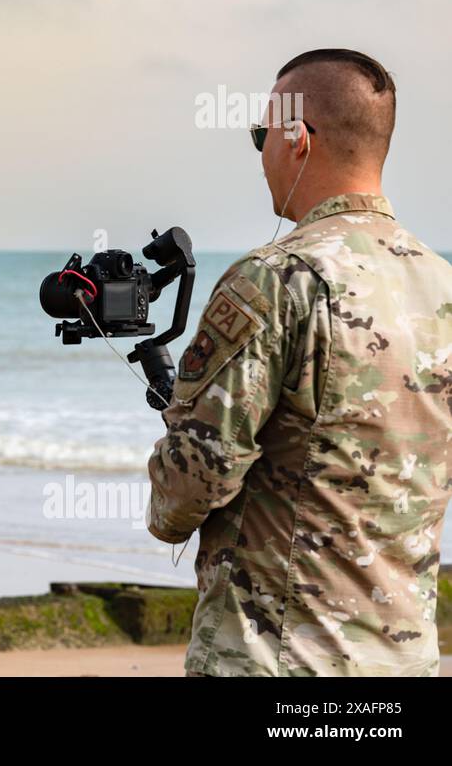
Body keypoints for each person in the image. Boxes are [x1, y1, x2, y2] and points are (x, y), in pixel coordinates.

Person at [147, 49, 452, 676]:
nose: (262, 152)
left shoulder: (276, 278)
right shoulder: (441, 285)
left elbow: (191, 484)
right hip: (402, 665)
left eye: (262, 134)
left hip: (276, 662)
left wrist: (169, 470)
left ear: (296, 139)